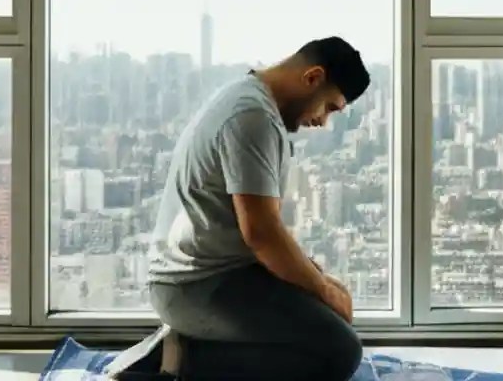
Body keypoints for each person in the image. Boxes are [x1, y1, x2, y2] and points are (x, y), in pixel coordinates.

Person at [143, 37, 370, 381]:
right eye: (329, 107)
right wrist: (321, 289)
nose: (323, 122)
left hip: (225, 271)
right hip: (194, 285)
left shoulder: (252, 100)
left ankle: (203, 349)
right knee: (339, 352)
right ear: (313, 78)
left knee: (331, 306)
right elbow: (261, 234)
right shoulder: (251, 116)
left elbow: (264, 228)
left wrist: (320, 281)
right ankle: (183, 359)